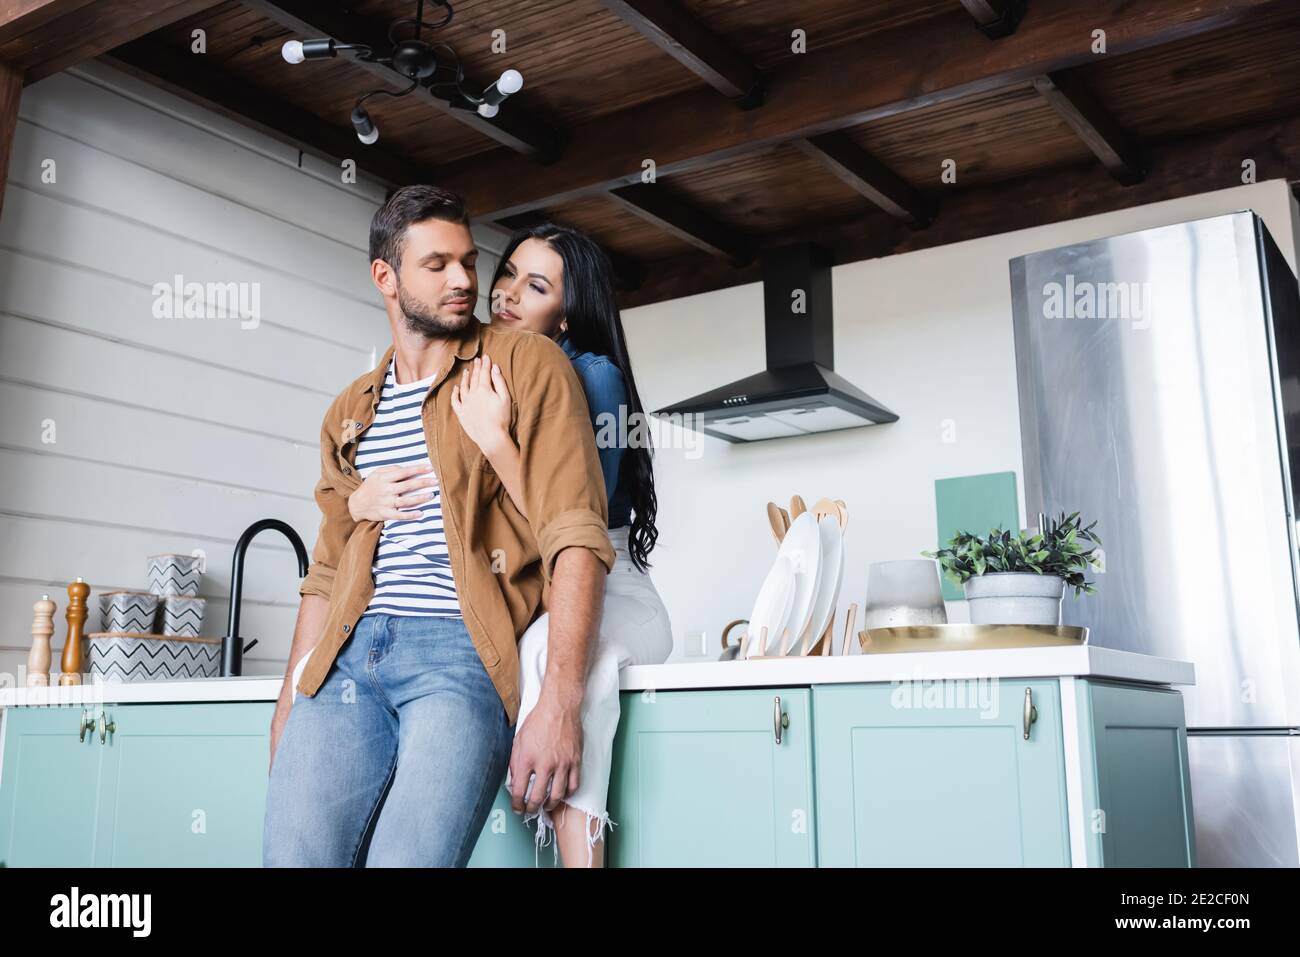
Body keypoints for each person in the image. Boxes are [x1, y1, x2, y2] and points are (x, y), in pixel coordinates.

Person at [262, 186, 615, 867]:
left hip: (458, 656)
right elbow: (329, 567)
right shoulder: (350, 410)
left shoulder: (528, 365)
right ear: (385, 277)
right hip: (342, 658)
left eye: (468, 261)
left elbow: (576, 532)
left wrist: (562, 700)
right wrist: (289, 698)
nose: (463, 280)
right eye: (437, 264)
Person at [451, 223, 672, 867]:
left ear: (568, 314)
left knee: (562, 658)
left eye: (537, 285)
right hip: (533, 593)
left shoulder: (591, 376)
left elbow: (571, 526)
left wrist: (495, 440)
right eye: (509, 273)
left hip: (611, 586)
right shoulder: (481, 374)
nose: (508, 292)